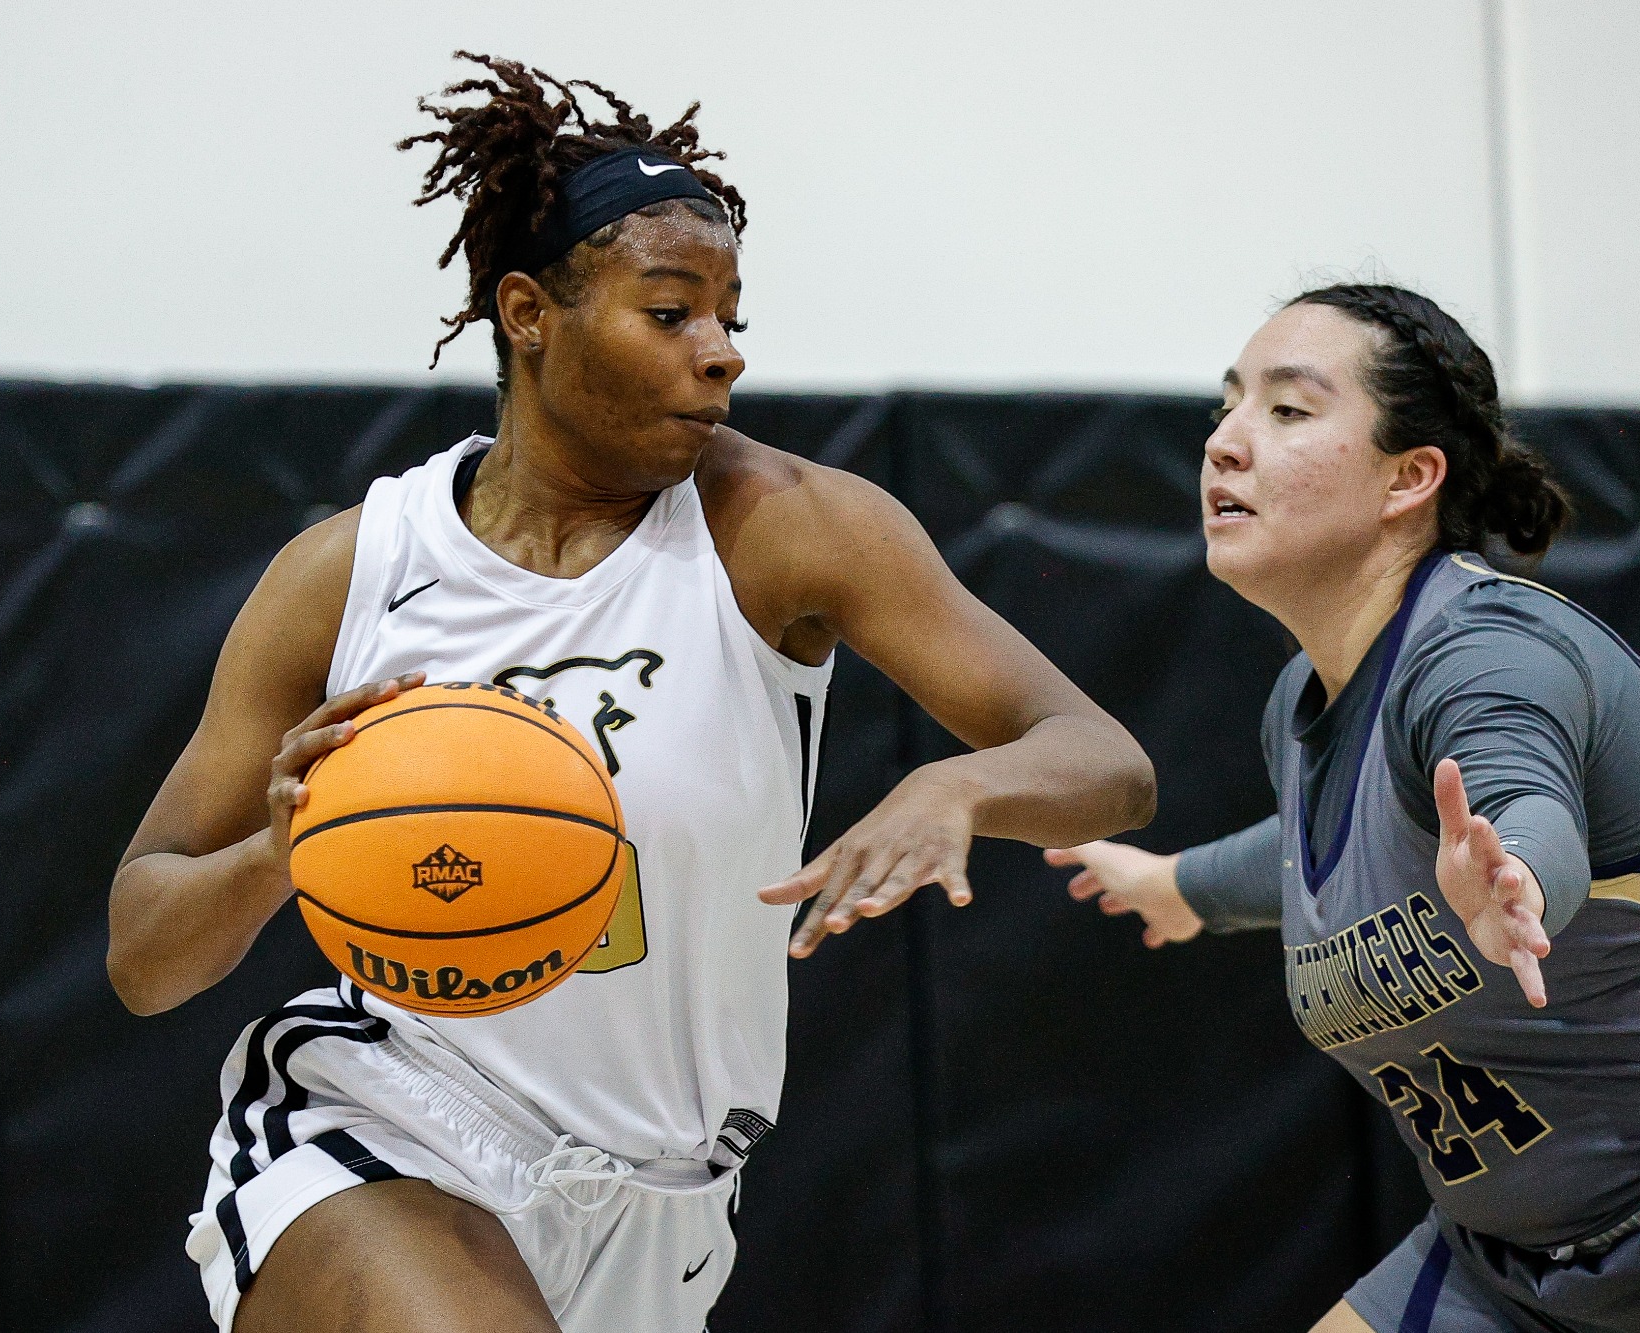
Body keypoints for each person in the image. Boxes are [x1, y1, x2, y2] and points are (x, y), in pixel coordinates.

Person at [106, 54, 1154, 1333]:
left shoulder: (788, 528)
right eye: (670, 313)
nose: (719, 355)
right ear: (528, 312)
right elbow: (142, 953)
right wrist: (280, 853)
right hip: (390, 1112)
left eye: (729, 313)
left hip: (663, 1198)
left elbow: (1104, 761)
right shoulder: (351, 573)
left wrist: (959, 783)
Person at [1048, 284, 1640, 1333]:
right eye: (1225, 403)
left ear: (1409, 477)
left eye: (1285, 410)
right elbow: (1312, 860)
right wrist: (1173, 885)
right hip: (1514, 1263)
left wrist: (1517, 883)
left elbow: (1523, 812)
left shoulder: (1482, 653)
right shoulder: (1301, 700)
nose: (1225, 442)